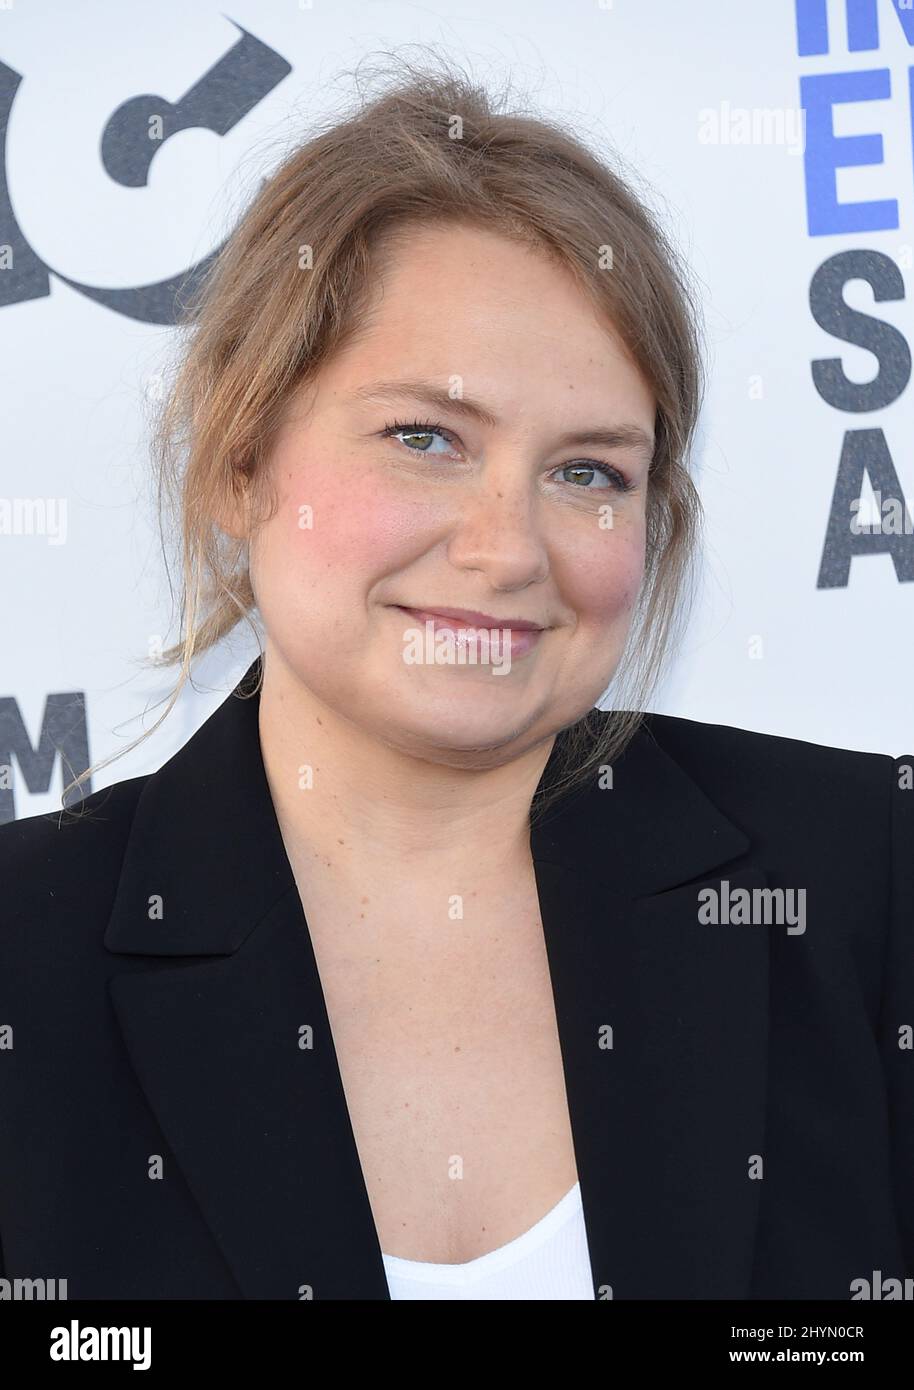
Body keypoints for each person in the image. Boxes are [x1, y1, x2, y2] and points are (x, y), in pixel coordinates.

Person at [0, 57, 911, 1302]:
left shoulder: (866, 879)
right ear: (240, 462)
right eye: (424, 438)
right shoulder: (24, 948)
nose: (506, 548)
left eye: (589, 471)